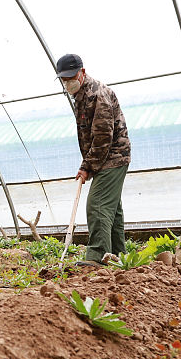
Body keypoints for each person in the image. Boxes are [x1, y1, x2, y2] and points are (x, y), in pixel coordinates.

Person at [56, 53, 132, 266]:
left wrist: (87, 166)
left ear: (82, 72)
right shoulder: (81, 94)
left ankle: (98, 257)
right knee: (112, 210)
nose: (67, 83)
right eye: (64, 79)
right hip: (105, 157)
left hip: (113, 156)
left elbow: (102, 137)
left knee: (97, 204)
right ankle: (119, 257)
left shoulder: (97, 94)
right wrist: (88, 165)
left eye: (71, 77)